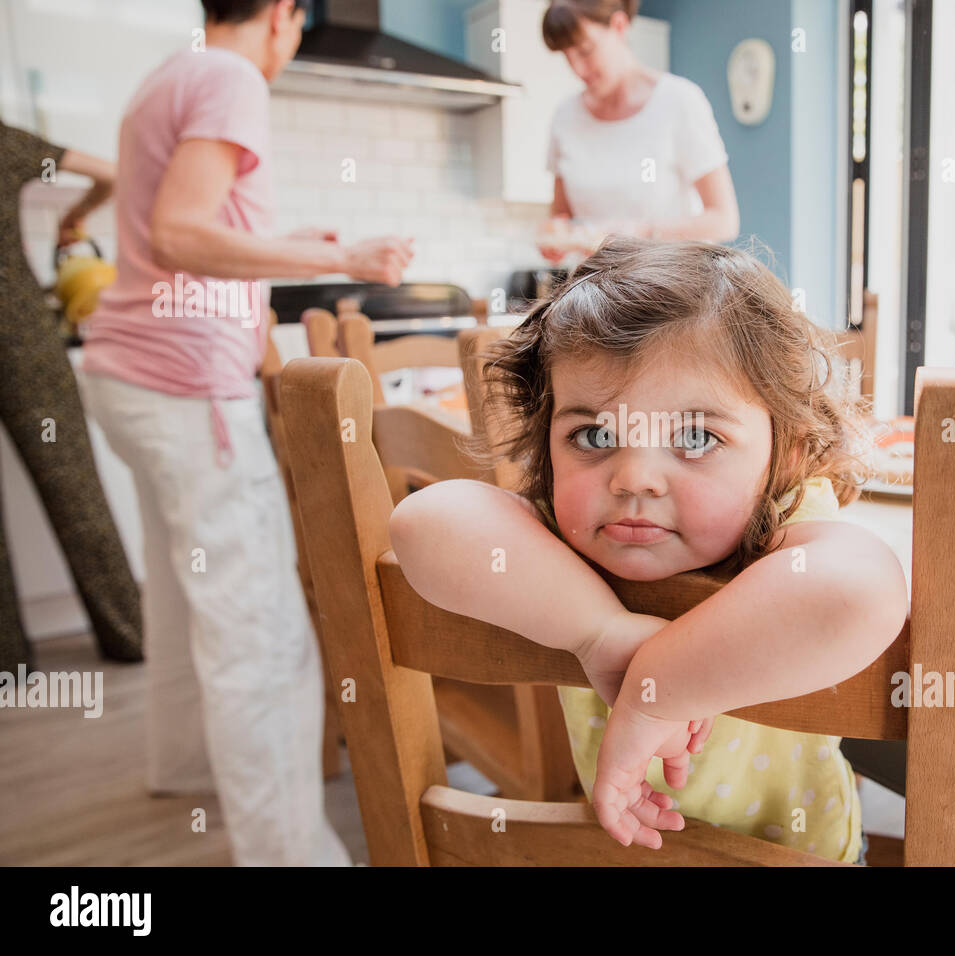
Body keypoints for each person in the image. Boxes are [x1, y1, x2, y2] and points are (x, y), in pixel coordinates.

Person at [389, 238, 909, 865]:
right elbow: (422, 524)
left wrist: (655, 688)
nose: (633, 477)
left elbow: (861, 589)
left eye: (694, 436)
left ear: (788, 451)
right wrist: (600, 634)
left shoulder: (781, 521)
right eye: (594, 434)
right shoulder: (557, 537)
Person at [78, 0, 413, 865]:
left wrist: (286, 241)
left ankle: (185, 766)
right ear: (280, 14)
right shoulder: (228, 76)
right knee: (256, 629)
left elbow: (184, 228)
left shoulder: (168, 75)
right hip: (186, 387)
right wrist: (342, 259)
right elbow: (181, 234)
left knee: (187, 586)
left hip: (131, 375)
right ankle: (287, 853)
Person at [0, 124, 142, 674]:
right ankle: (129, 635)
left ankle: (9, 662)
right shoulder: (6, 141)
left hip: (25, 335)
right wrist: (73, 218)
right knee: (75, 487)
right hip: (23, 335)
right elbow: (116, 175)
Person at [536, 0, 740, 262]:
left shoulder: (679, 101)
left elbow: (724, 220)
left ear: (619, 26)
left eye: (585, 51)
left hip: (671, 287)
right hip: (597, 293)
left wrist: (643, 233)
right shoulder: (565, 117)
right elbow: (561, 218)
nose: (577, 68)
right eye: (567, 55)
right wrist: (554, 237)